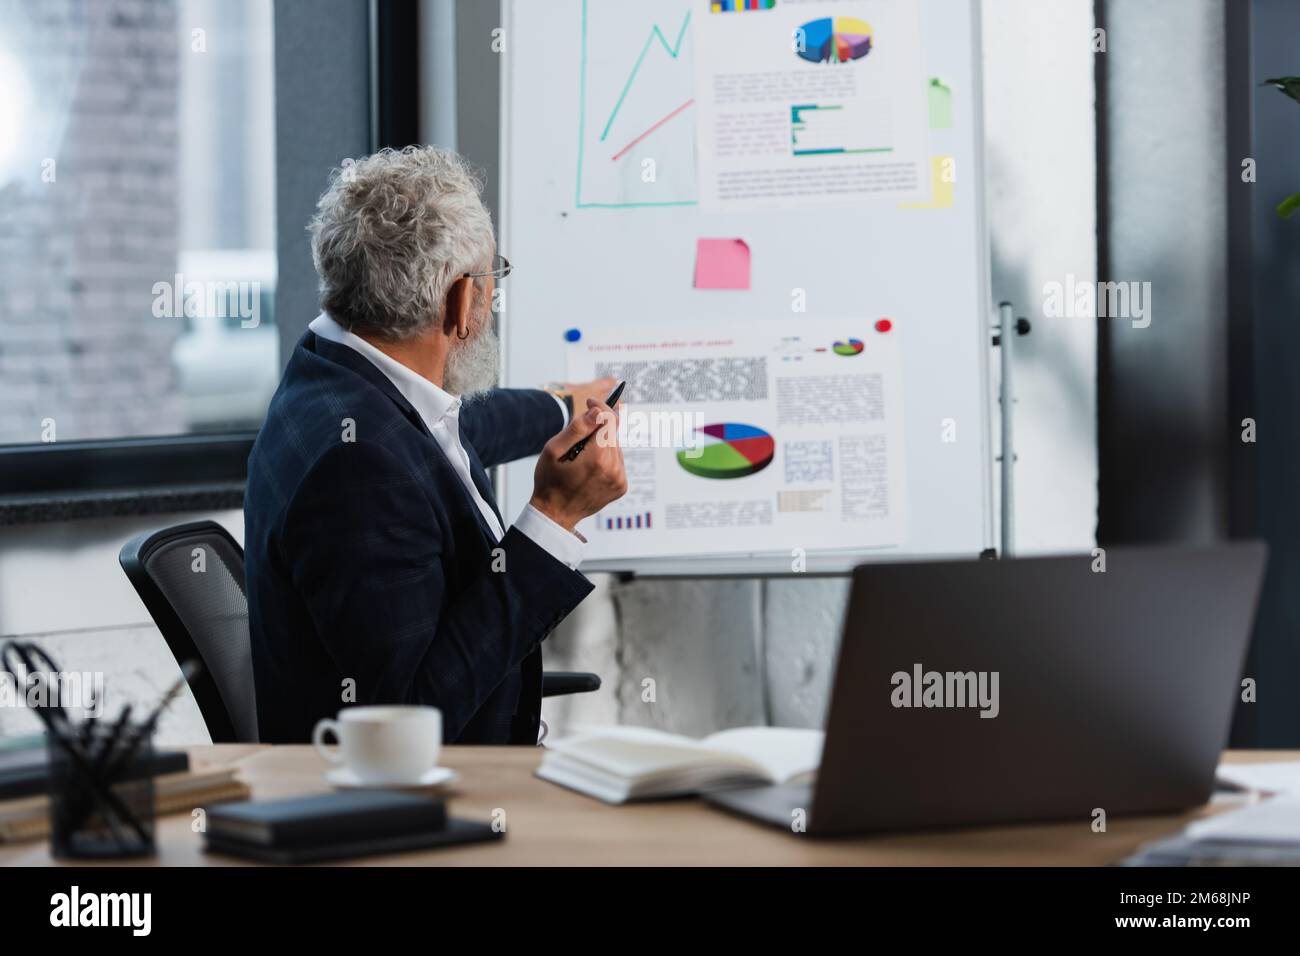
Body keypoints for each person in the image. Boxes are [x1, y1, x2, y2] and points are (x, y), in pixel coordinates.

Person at [244, 146, 627, 744]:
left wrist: (562, 405)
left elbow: (454, 430)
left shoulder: (334, 376)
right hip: (415, 810)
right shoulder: (358, 468)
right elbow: (412, 719)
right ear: (460, 302)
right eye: (490, 278)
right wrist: (555, 518)